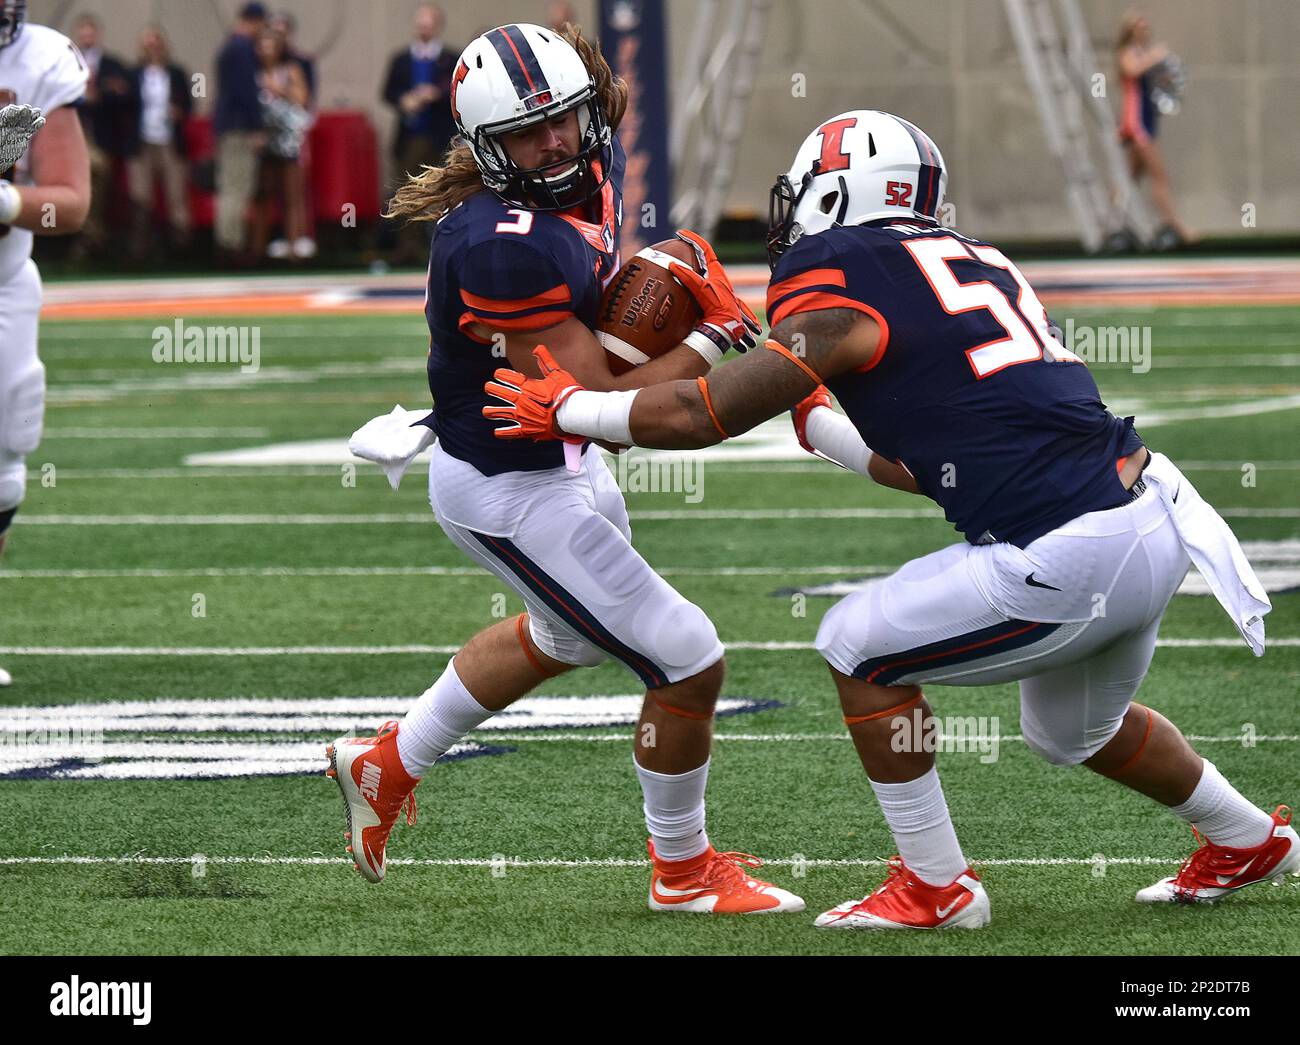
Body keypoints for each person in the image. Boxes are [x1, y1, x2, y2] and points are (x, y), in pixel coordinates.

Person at [484, 110, 1296, 928]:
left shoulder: (840, 265)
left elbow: (703, 415)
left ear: (835, 194)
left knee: (856, 644)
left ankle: (937, 886)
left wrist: (575, 407)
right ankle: (1247, 837)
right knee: (1072, 729)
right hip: (1150, 517)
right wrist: (821, 425)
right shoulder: (976, 259)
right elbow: (931, 466)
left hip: (1074, 547)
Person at [329, 22, 803, 916]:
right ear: (486, 148)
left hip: (558, 456)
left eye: (565, 119)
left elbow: (597, 362)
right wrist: (708, 333)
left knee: (562, 635)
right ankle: (684, 872)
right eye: (526, 133)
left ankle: (384, 762)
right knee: (689, 659)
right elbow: (604, 409)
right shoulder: (502, 243)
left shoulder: (587, 162)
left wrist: (657, 287)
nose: (555, 143)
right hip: (509, 485)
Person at [0, 0, 92, 688]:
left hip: (3, 280)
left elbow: (71, 200)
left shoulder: (38, 60)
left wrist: (5, 202)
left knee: (9, 438)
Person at [380, 4, 456, 264]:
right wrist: (405, 100)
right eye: (421, 22)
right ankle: (408, 248)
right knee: (407, 190)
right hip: (410, 136)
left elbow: (459, 89)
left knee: (446, 191)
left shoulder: (450, 58)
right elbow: (388, 92)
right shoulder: (401, 59)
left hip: (441, 136)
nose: (424, 27)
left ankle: (445, 245)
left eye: (429, 22)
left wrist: (436, 94)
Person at [1116, 10, 1191, 248]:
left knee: (1130, 178)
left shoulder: (1143, 54)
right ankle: (1175, 225)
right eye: (1139, 27)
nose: (1143, 31)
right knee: (1159, 176)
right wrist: (1155, 56)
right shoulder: (1128, 53)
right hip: (1137, 125)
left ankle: (1114, 223)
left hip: (1147, 121)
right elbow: (1132, 70)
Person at [126, 25, 192, 259]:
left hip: (169, 140)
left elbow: (190, 104)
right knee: (141, 196)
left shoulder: (176, 73)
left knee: (176, 195)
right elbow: (125, 107)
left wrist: (180, 111)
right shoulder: (133, 74)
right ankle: (140, 250)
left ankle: (181, 248)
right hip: (142, 141)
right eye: (148, 43)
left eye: (156, 43)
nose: (153, 48)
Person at [69, 12, 130, 259]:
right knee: (85, 179)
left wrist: (102, 95)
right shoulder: (66, 62)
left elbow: (125, 96)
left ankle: (93, 236)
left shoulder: (112, 64)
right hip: (73, 135)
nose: (87, 36)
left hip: (102, 136)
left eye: (91, 31)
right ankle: (91, 236)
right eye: (83, 31)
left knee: (99, 180)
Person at [249, 25, 311, 261]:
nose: (267, 50)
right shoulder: (252, 72)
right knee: (262, 195)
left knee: (292, 195)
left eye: (271, 45)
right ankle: (257, 250)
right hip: (263, 139)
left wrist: (279, 89)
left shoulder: (291, 70)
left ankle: (295, 247)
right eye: (263, 45)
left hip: (288, 140)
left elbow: (302, 99)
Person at [213, 2, 266, 264]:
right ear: (254, 22)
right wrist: (257, 126)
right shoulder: (242, 48)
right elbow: (247, 92)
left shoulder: (228, 46)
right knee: (237, 186)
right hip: (239, 127)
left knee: (229, 186)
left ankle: (227, 242)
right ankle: (230, 245)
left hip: (228, 125)